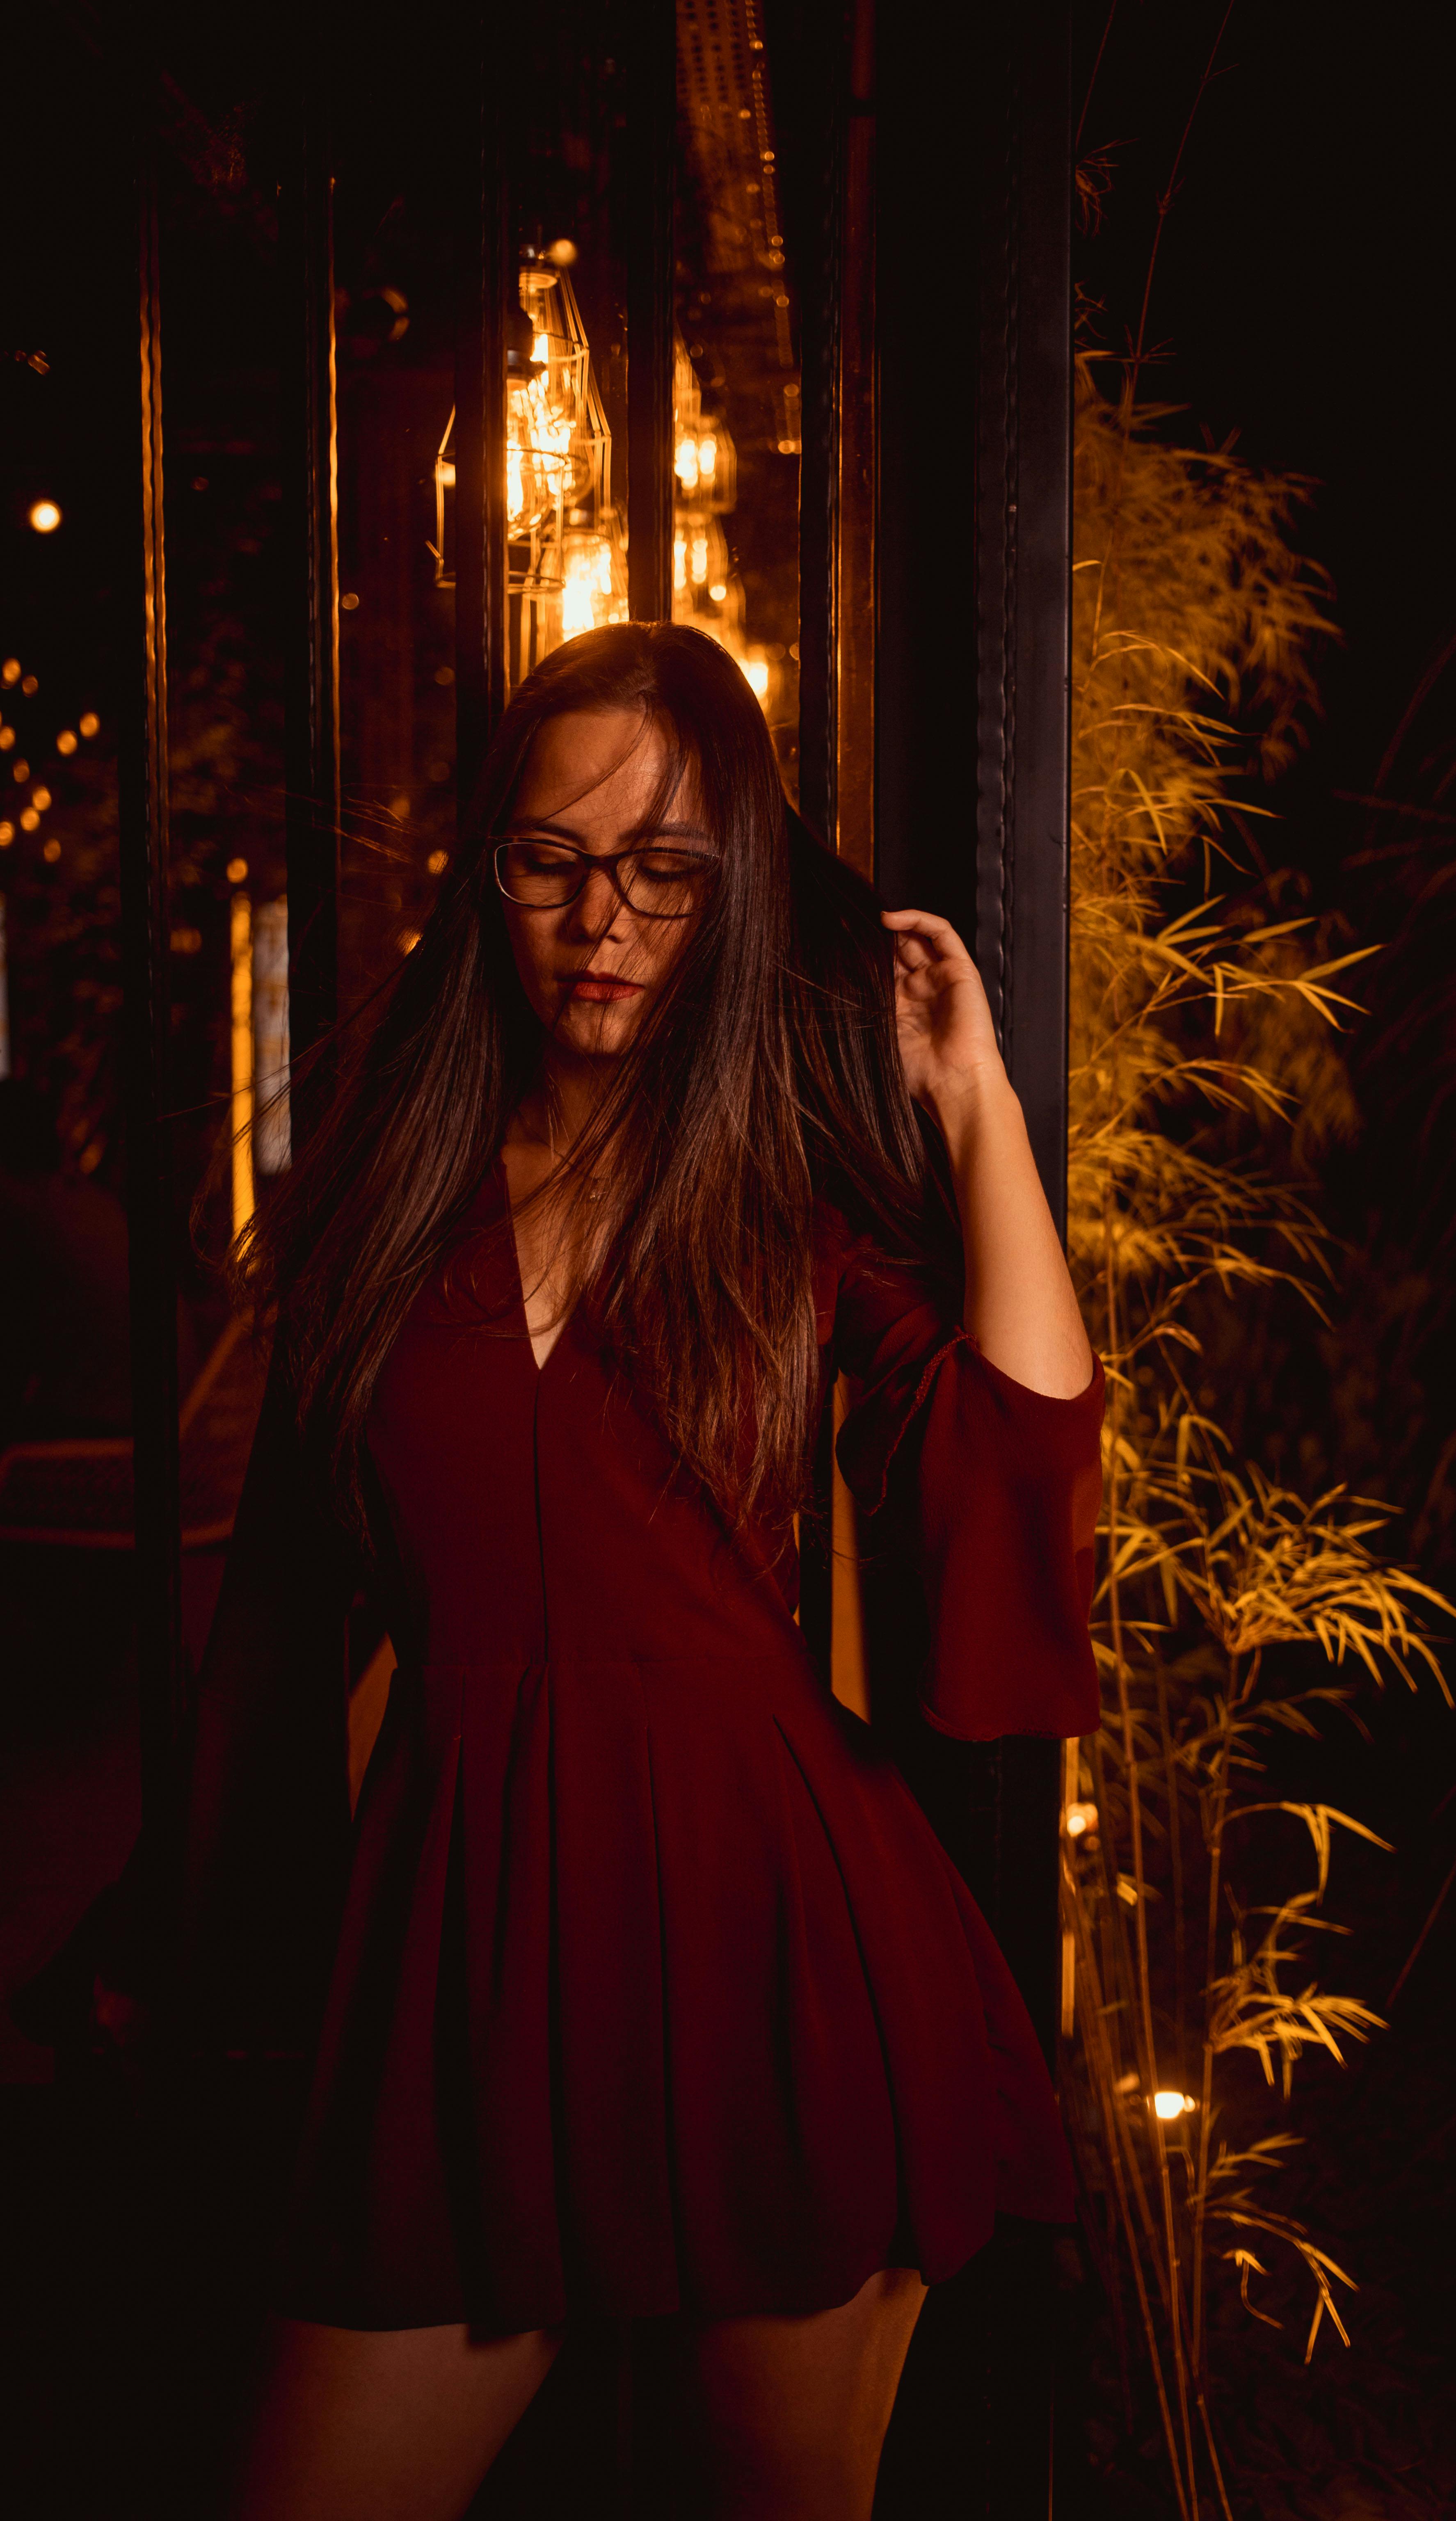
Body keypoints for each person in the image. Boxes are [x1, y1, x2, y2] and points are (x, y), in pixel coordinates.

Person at [179, 622, 1103, 2521]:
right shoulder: (386, 1196)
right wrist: (200, 1929)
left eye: (667, 872)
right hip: (465, 1956)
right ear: (488, 875)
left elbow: (1014, 1440)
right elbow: (282, 1609)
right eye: (553, 861)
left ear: (733, 896)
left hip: (769, 1952)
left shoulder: (780, 1195)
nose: (603, 918)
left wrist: (975, 1101)